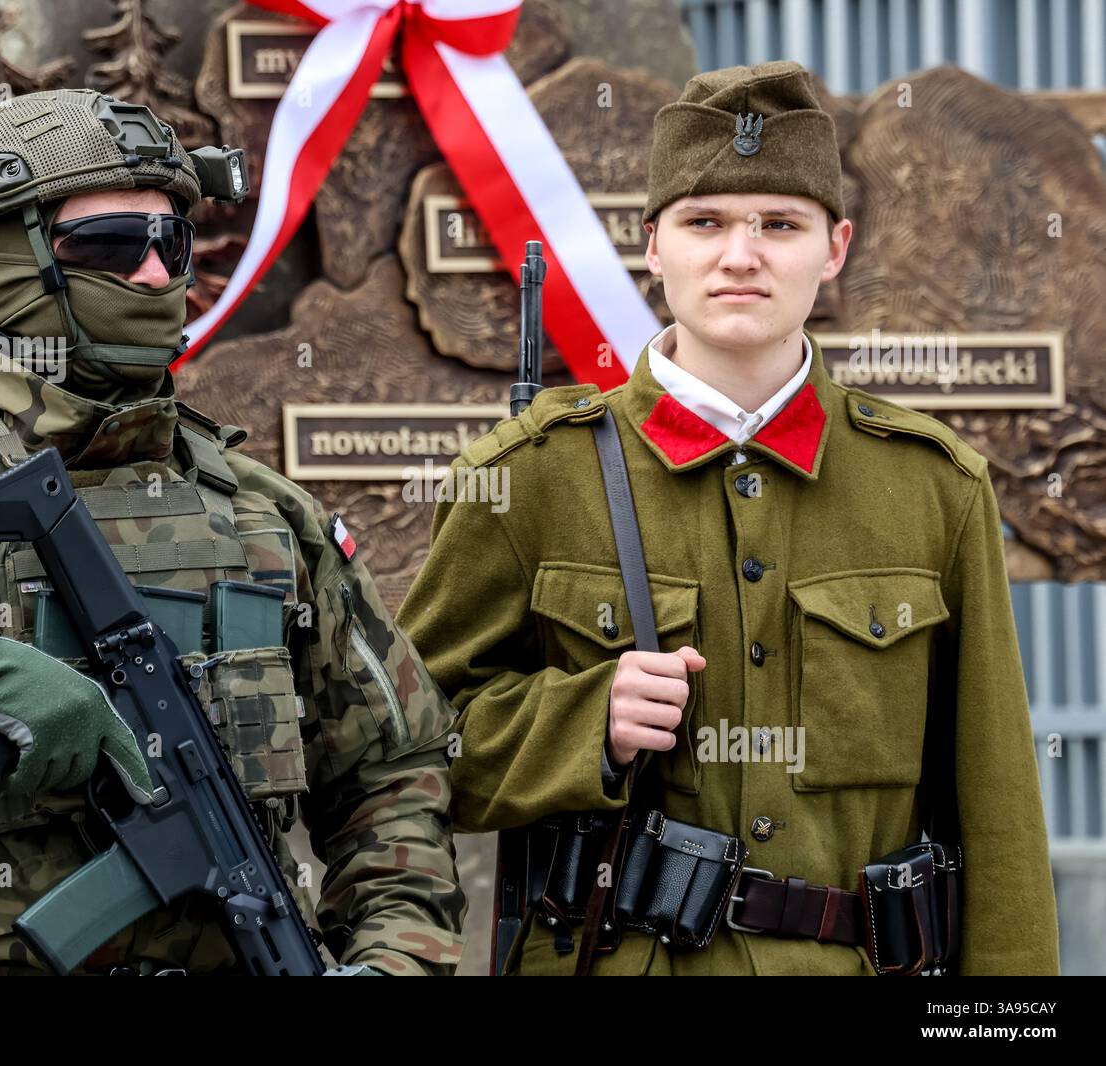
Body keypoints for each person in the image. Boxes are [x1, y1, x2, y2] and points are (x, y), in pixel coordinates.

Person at [397, 60, 1058, 976]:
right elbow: (406, 756)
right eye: (705, 222)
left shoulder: (935, 488)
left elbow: (997, 810)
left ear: (835, 249)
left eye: (779, 225)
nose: (740, 256)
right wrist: (583, 719)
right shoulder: (531, 479)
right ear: (652, 243)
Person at [0, 88, 465, 976]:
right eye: (112, 244)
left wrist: (391, 963)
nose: (157, 275)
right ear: (3, 259)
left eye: (172, 242)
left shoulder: (268, 517)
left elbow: (395, 779)